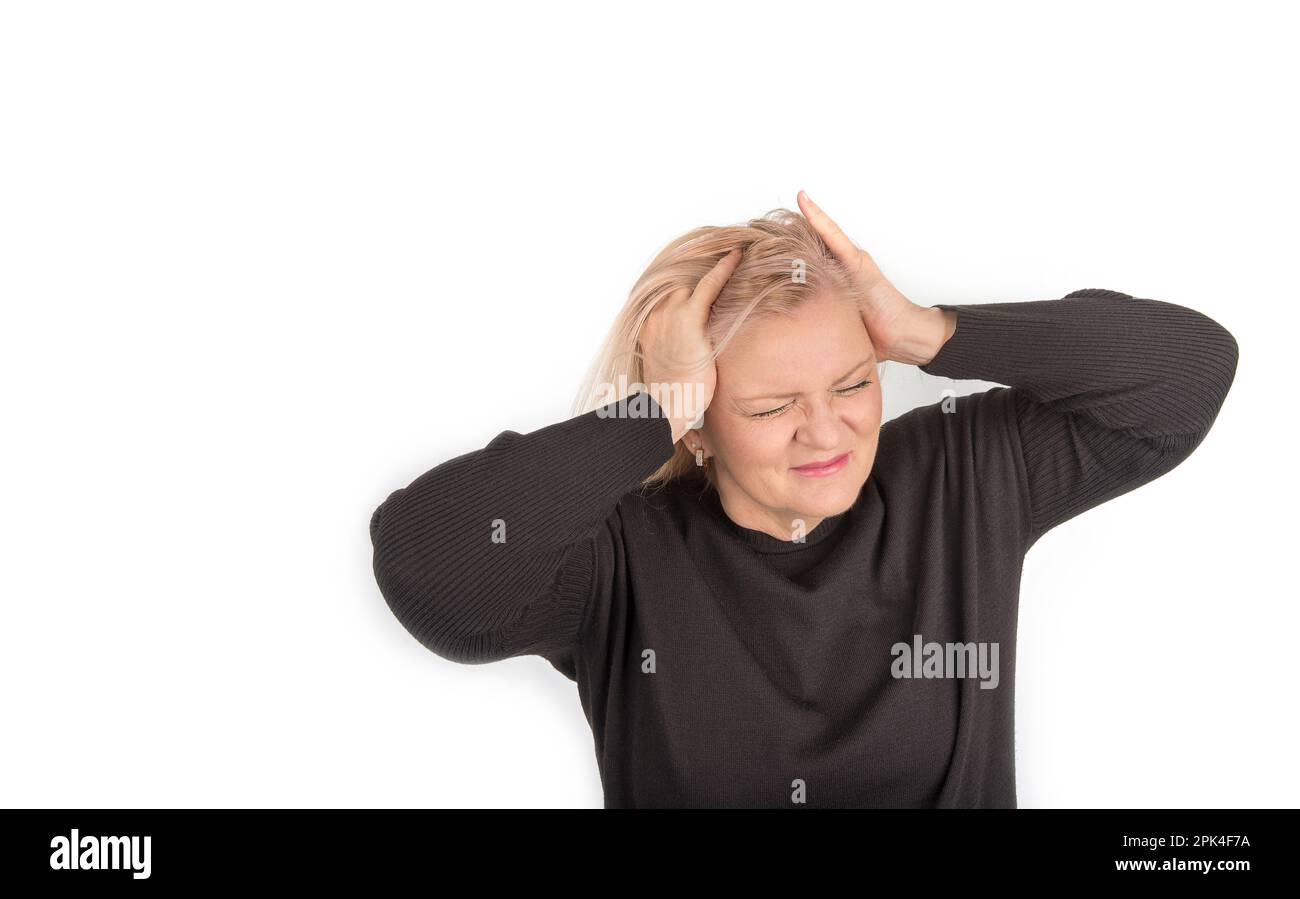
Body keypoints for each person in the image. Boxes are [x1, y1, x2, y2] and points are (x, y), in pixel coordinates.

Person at [368, 191, 1239, 808]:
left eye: (854, 382)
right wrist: (651, 415)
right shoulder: (616, 559)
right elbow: (428, 571)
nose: (827, 433)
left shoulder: (966, 472)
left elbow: (1188, 375)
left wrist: (932, 331)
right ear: (697, 426)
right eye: (771, 405)